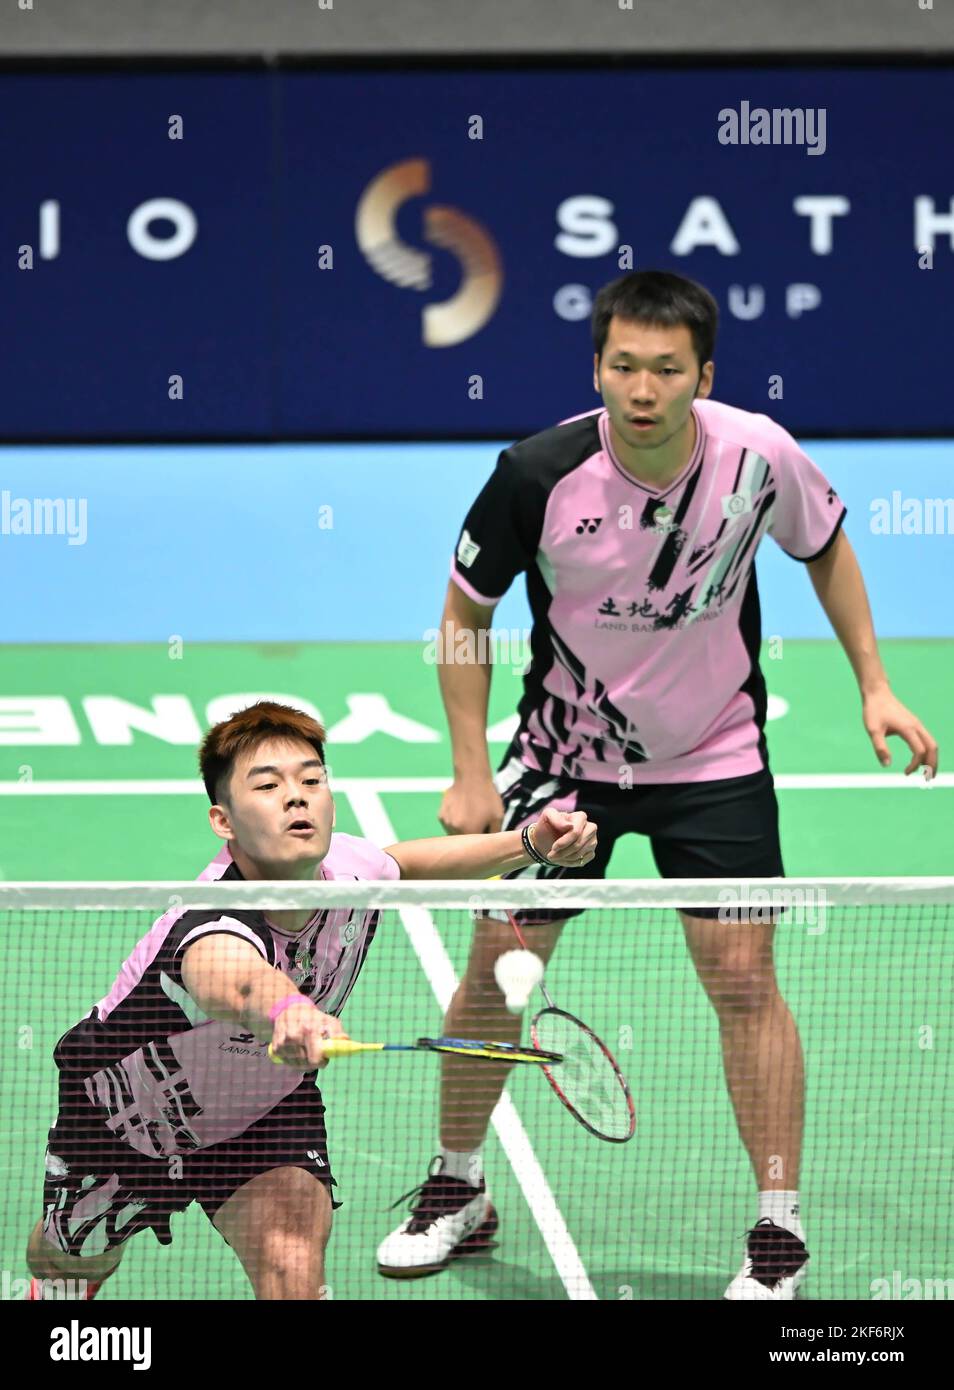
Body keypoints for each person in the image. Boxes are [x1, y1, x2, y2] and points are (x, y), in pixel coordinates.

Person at [376, 270, 939, 1299]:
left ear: (703, 376)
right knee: (498, 973)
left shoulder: (758, 456)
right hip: (564, 759)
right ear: (597, 368)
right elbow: (465, 613)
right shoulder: (536, 472)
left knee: (742, 979)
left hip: (714, 757)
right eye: (623, 365)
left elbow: (825, 548)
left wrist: (877, 685)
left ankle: (779, 1229)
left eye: (665, 369)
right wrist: (468, 771)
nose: (642, 387)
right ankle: (457, 1184)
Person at [25, 700, 595, 1301]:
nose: (296, 797)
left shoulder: (347, 866)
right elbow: (235, 977)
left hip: (261, 1108)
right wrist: (287, 1010)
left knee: (293, 1268)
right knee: (70, 1261)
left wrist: (530, 844)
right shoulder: (209, 922)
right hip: (129, 1117)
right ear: (224, 821)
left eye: (311, 780)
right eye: (268, 786)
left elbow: (405, 864)